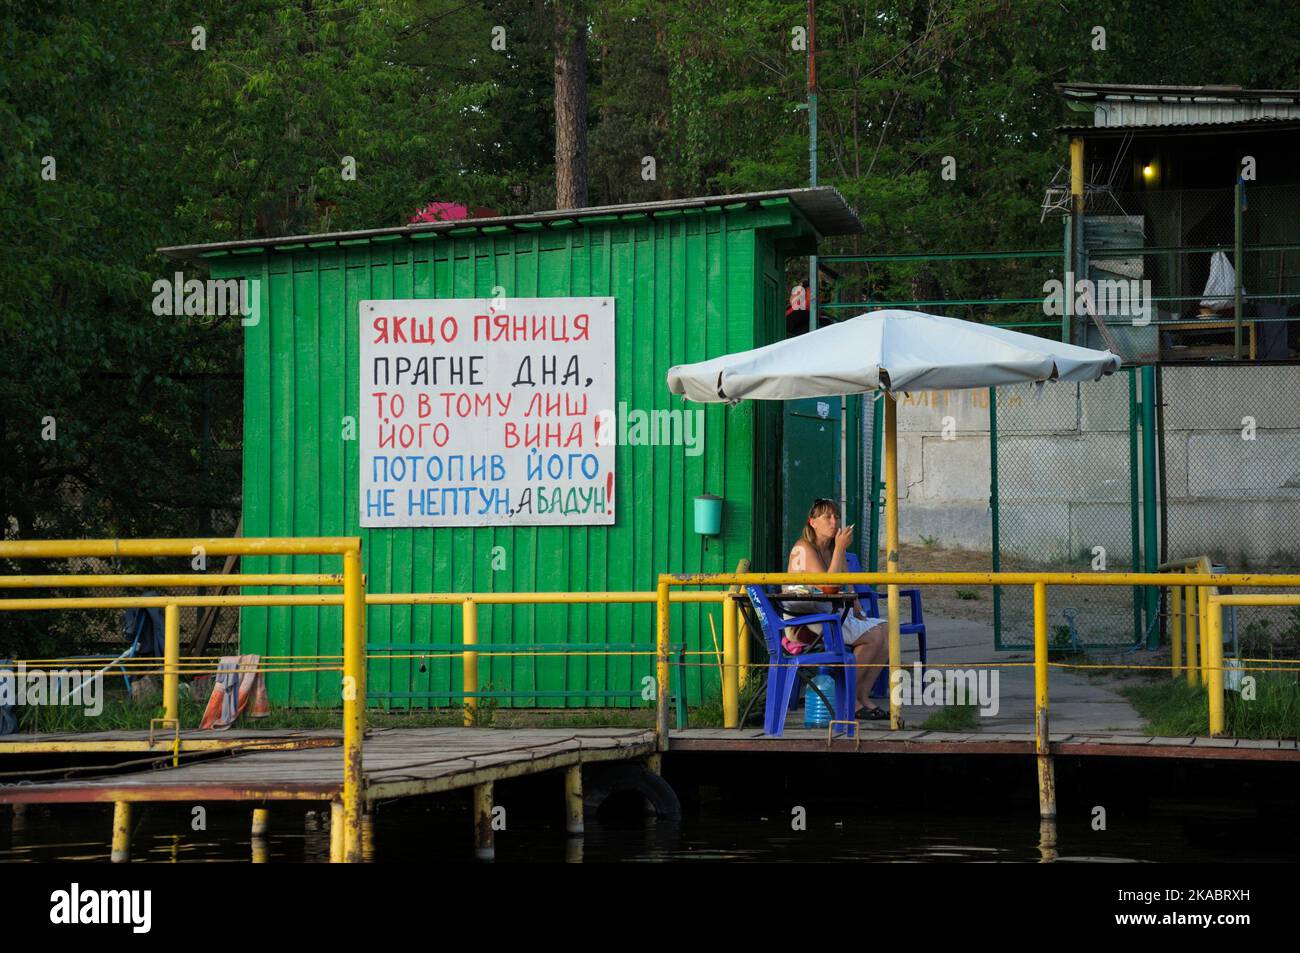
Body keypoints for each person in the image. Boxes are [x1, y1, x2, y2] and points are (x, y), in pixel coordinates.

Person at [782, 497, 890, 719]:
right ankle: (848, 699)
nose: (834, 521)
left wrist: (857, 607)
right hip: (804, 625)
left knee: (887, 631)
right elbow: (830, 586)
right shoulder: (803, 547)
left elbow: (845, 581)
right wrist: (840, 548)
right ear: (812, 522)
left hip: (828, 618)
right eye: (827, 517)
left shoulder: (830, 548)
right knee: (873, 637)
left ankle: (861, 697)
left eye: (836, 516)